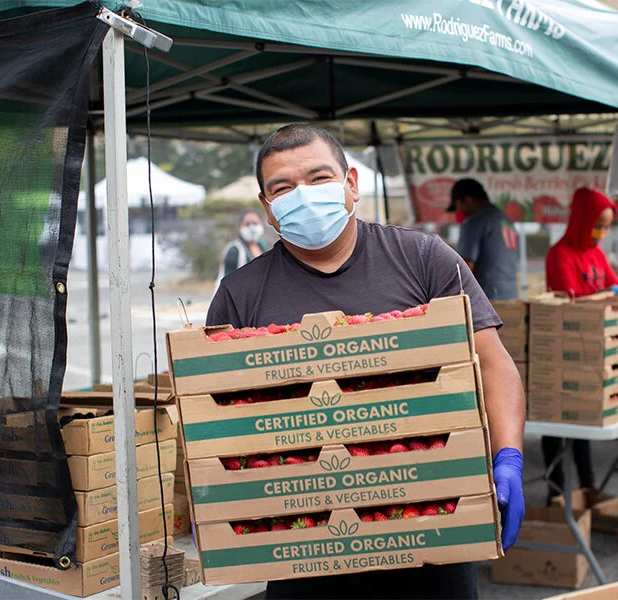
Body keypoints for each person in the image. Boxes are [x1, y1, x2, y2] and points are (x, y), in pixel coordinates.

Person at [209, 124, 526, 600]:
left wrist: (509, 456)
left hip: (430, 530)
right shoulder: (240, 296)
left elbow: (493, 361)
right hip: (303, 548)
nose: (304, 196)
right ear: (268, 209)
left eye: (319, 179)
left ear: (351, 184)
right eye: (283, 189)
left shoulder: (424, 260)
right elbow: (215, 414)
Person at [542, 187, 618, 502]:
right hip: (561, 348)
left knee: (582, 422)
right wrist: (609, 296)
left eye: (606, 226)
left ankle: (588, 488)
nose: (601, 232)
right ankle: (556, 493)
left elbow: (616, 287)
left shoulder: (598, 253)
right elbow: (571, 300)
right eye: (597, 224)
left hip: (592, 352)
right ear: (581, 221)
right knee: (557, 425)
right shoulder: (558, 254)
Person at [446, 178, 519, 300]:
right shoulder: (505, 219)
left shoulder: (474, 222)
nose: (459, 211)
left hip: (487, 298)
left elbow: (464, 266)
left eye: (459, 206)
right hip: (511, 294)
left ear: (468, 200)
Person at [214, 209, 267, 292]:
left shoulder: (262, 246)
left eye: (255, 223)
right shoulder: (234, 250)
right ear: (239, 227)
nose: (252, 228)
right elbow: (229, 285)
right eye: (247, 224)